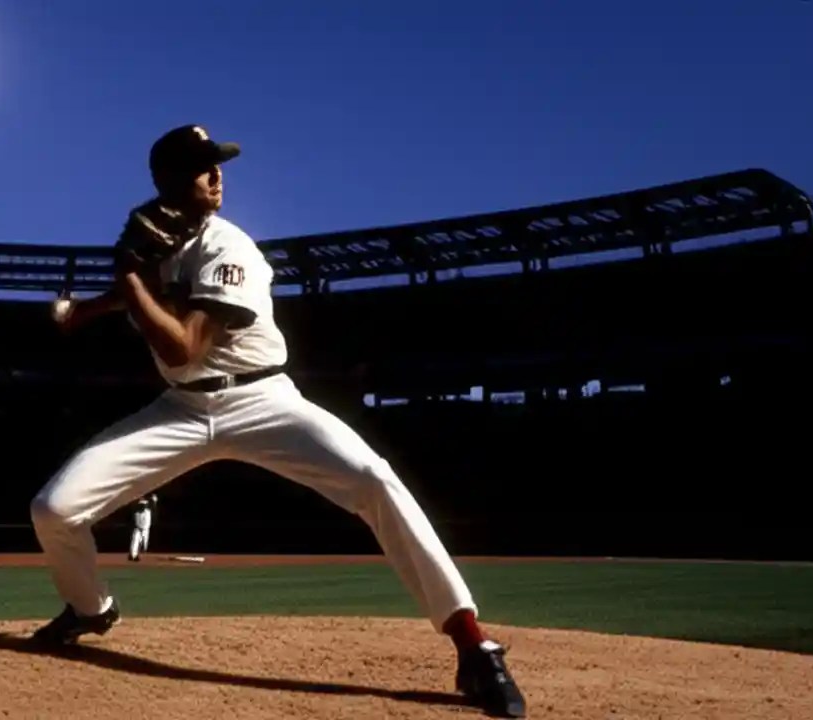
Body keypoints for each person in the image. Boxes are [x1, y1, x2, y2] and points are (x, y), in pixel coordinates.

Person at [28, 124, 526, 718]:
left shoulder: (230, 246)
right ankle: (90, 608)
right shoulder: (161, 243)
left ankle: (473, 644)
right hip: (181, 410)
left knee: (373, 478)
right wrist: (89, 309)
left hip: (264, 401)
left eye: (218, 164)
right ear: (166, 182)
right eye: (201, 166)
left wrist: (129, 274)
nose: (217, 175)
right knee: (53, 510)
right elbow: (149, 290)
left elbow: (184, 343)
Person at [127, 493, 158, 562]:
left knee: (144, 545)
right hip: (138, 528)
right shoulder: (137, 511)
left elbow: (153, 507)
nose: (143, 506)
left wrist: (154, 501)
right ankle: (133, 555)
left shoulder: (148, 511)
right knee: (135, 542)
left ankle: (135, 554)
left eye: (144, 505)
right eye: (142, 505)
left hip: (145, 530)